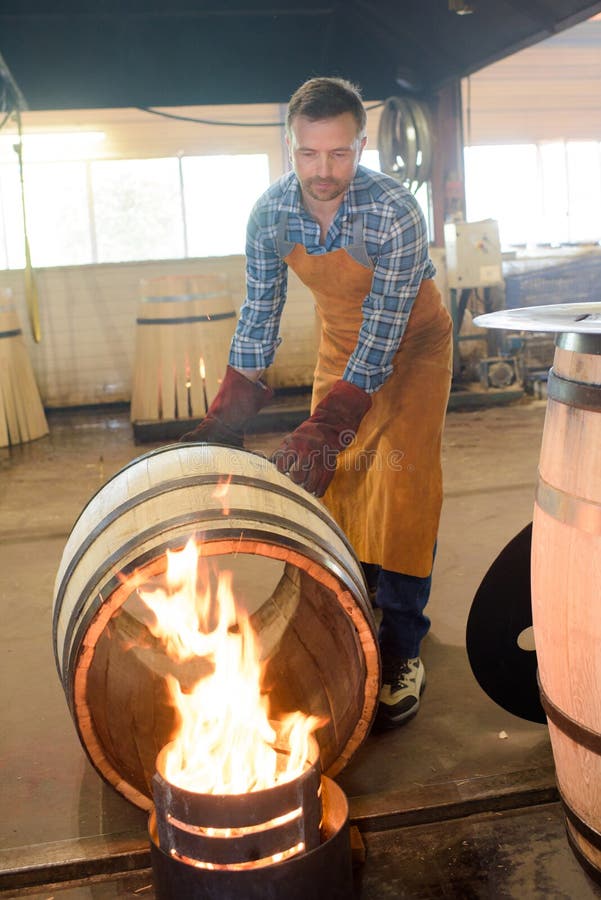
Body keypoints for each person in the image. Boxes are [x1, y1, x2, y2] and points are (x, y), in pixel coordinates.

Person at [181, 77, 452, 729]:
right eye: (309, 154)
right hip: (340, 343)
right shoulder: (270, 214)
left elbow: (385, 328)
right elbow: (259, 313)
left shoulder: (393, 211)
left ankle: (400, 646)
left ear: (360, 145)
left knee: (402, 490)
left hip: (411, 346)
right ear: (290, 147)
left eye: (338, 153)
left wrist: (331, 420)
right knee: (336, 488)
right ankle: (351, 614)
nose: (323, 170)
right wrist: (229, 410)